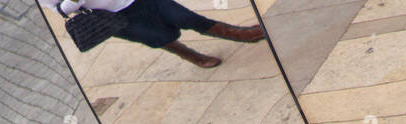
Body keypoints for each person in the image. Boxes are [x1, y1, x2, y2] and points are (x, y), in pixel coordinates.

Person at [45, 0, 264, 68]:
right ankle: (192, 56)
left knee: (185, 17)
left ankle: (243, 35)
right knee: (156, 37)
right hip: (113, 16)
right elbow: (59, 10)